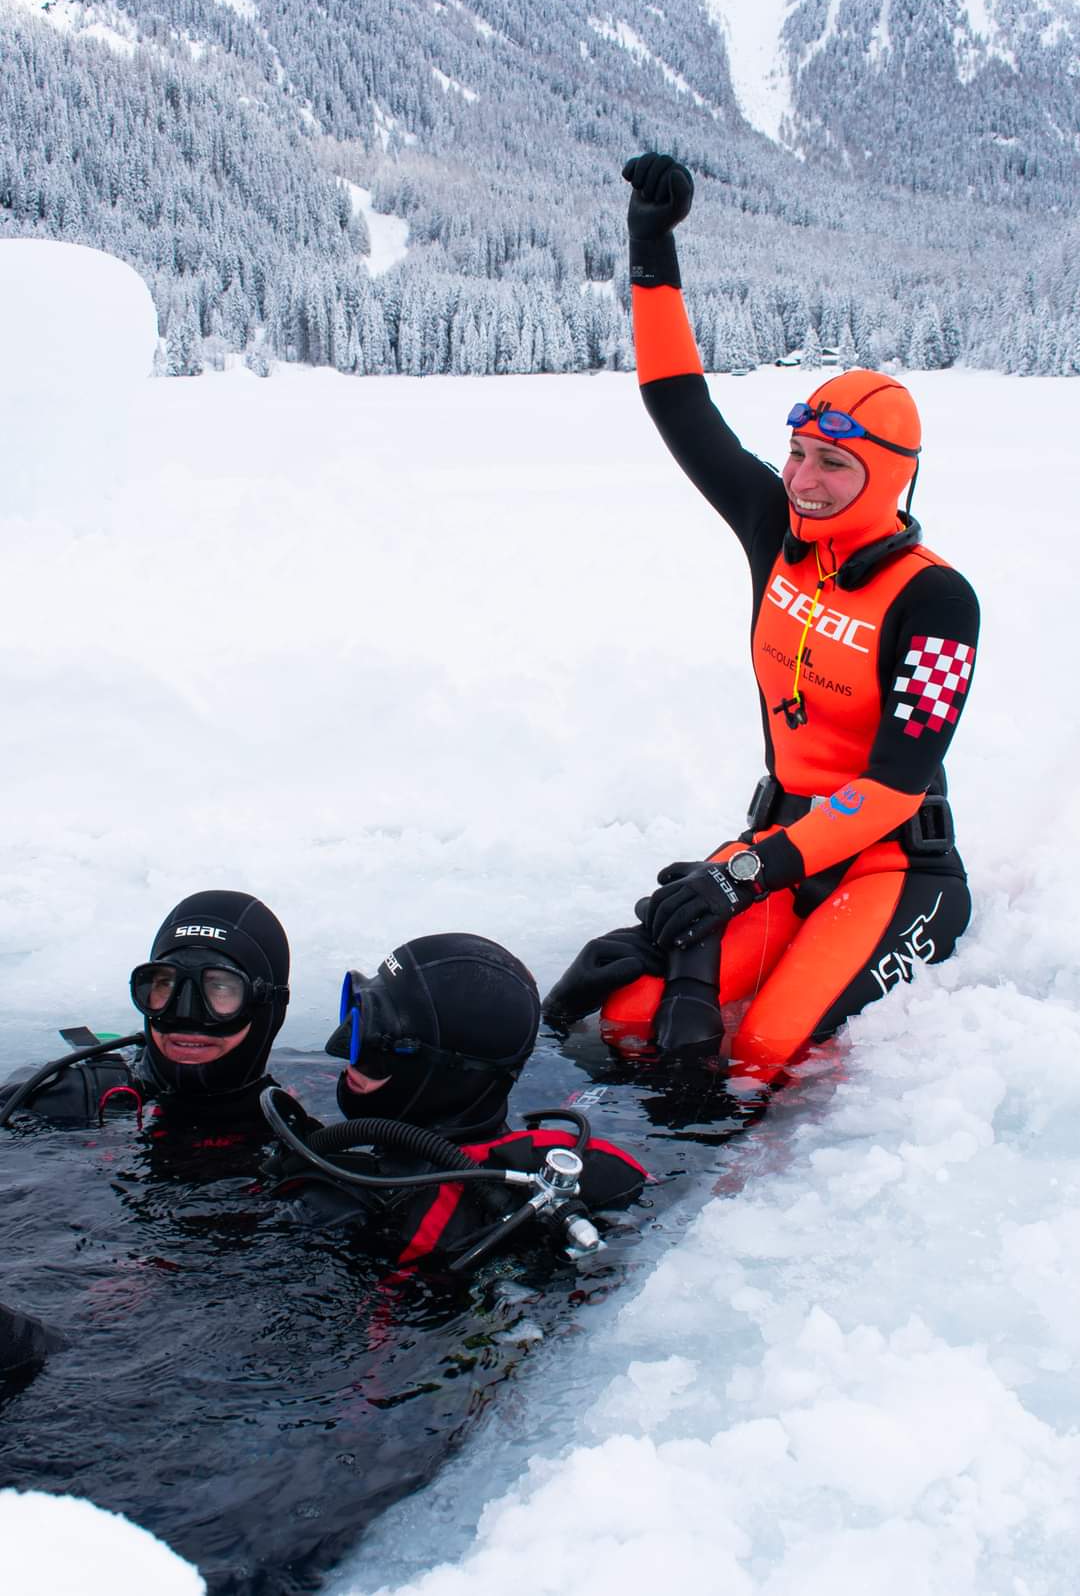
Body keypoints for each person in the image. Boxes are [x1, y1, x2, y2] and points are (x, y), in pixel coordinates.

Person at [543, 152, 980, 1088]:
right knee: (631, 1020)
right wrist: (651, 248)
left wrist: (739, 876)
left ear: (890, 476)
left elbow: (898, 785)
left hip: (894, 868)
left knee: (765, 1051)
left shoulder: (936, 601)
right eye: (797, 453)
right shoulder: (774, 527)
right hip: (779, 844)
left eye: (833, 464)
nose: (804, 479)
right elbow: (677, 401)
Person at [264, 932, 649, 1270]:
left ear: (449, 1072)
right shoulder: (540, 1126)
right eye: (358, 1013)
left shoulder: (387, 1221)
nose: (338, 1048)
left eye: (375, 1039)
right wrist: (556, 1014)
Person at [0, 889, 290, 1129]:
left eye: (221, 987)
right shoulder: (63, 1100)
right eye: (165, 983)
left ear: (268, 1003)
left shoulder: (318, 1097)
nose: (185, 1013)